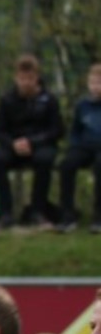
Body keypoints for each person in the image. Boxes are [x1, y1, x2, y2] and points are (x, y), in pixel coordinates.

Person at [0, 53, 63, 229]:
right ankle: (5, 213)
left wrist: (33, 142)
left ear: (37, 78)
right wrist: (12, 143)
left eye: (30, 78)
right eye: (22, 79)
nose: (26, 83)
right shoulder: (7, 100)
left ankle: (38, 211)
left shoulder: (49, 99)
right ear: (16, 78)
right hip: (14, 145)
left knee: (44, 160)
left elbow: (57, 130)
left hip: (40, 145)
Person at [52, 62, 101, 235]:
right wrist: (75, 146)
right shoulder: (82, 106)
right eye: (93, 82)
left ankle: (98, 217)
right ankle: (68, 216)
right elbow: (75, 131)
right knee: (66, 165)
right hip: (84, 146)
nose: (96, 87)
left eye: (99, 83)